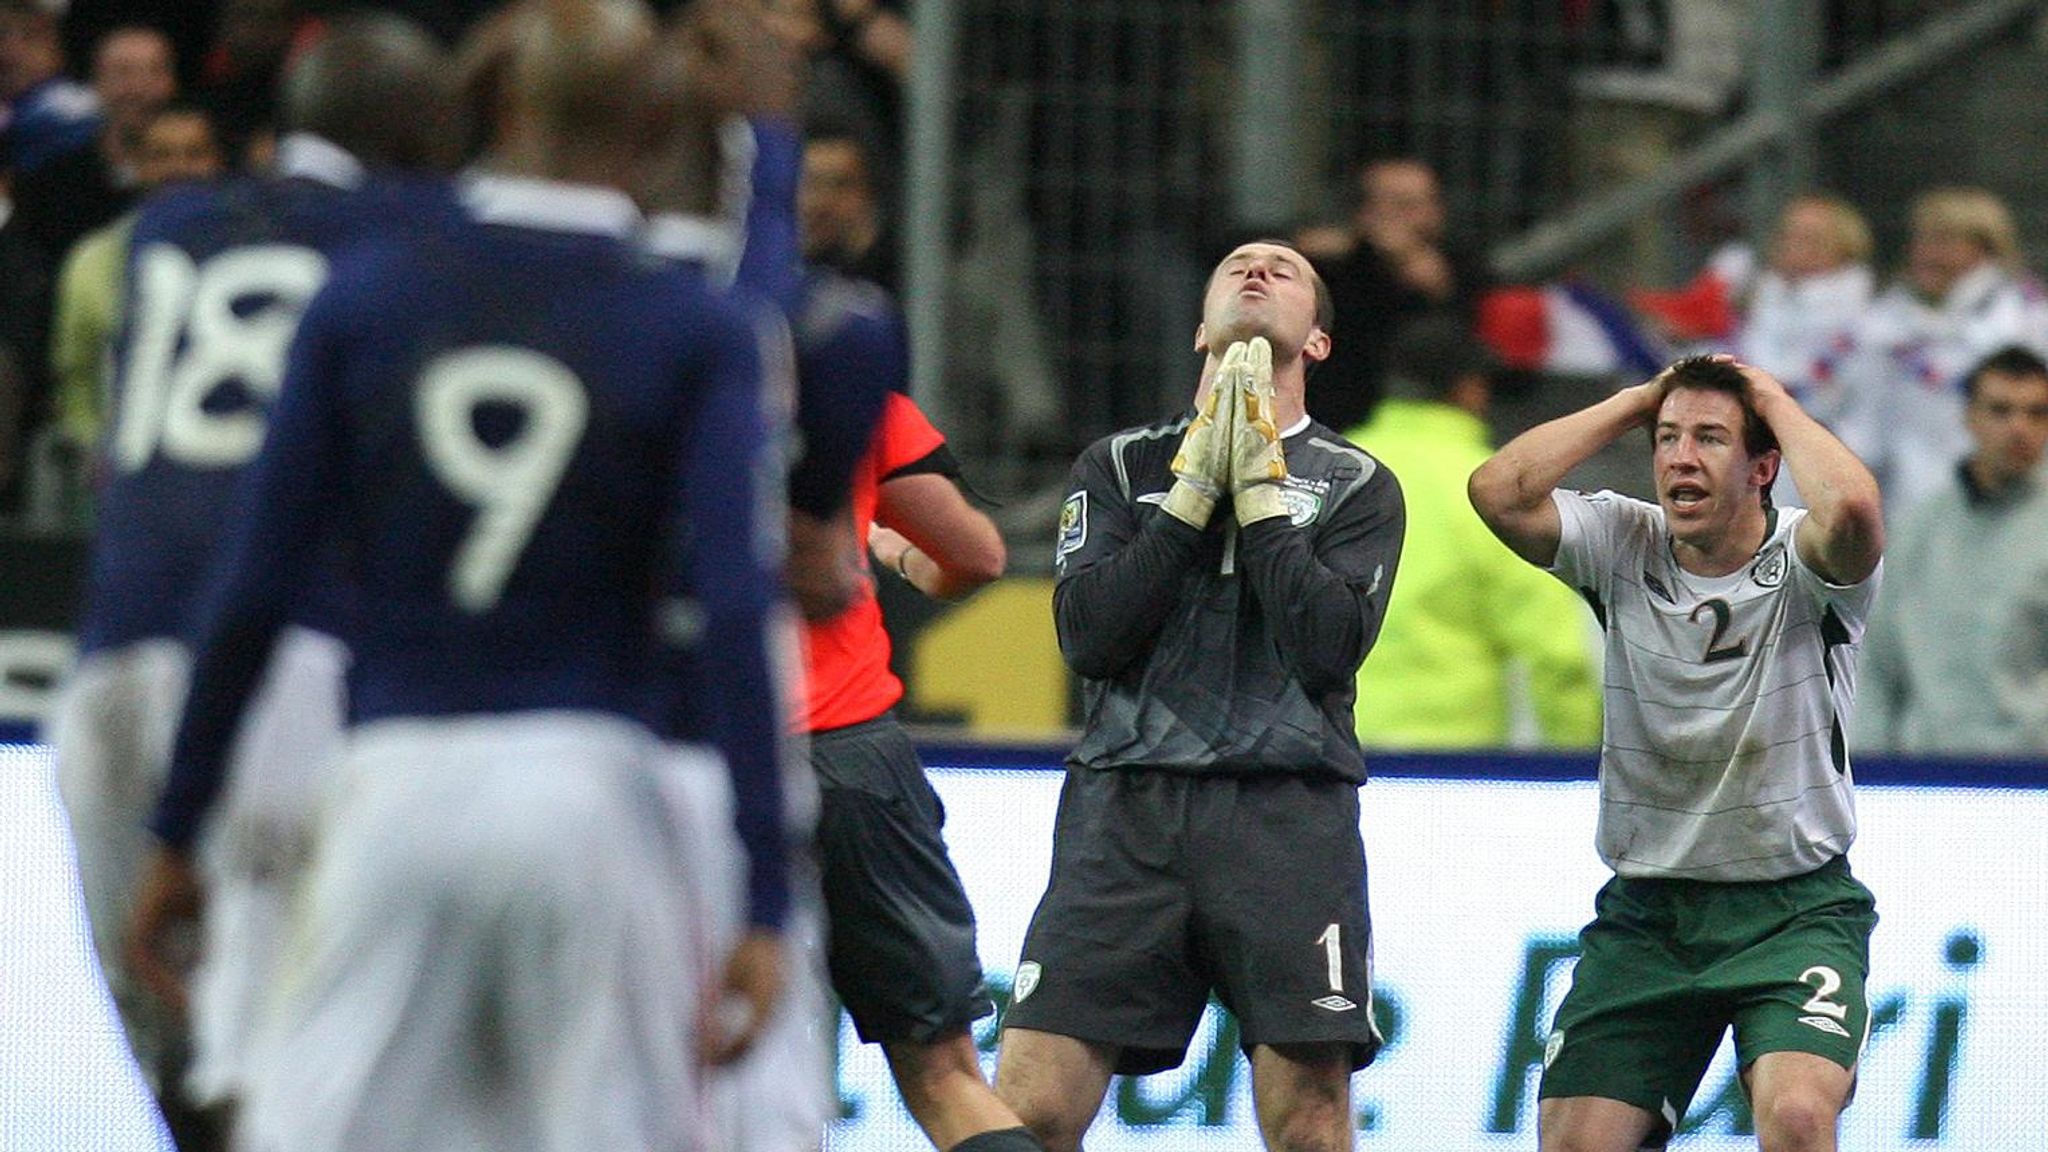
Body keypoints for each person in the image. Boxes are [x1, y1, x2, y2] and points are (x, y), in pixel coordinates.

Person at [126, 2, 792, 1149]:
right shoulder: (689, 326)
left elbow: (255, 581)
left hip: (396, 781)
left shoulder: (373, 294)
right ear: (656, 121)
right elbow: (735, 611)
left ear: (506, 102)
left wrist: (179, 826)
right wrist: (765, 896)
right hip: (591, 794)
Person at [48, 19, 455, 1150]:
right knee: (309, 1069)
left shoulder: (162, 228)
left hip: (107, 676)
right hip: (280, 671)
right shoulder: (414, 231)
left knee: (185, 1064)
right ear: (420, 135)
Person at [996, 240, 1405, 1152]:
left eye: (1285, 270)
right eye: (1235, 266)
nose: (1257, 271)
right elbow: (1089, 638)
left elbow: (1328, 647)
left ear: (1322, 343)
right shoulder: (1119, 466)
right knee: (1031, 1110)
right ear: (1198, 331)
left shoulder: (1357, 483)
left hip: (1285, 813)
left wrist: (1258, 494)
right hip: (1123, 808)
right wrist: (1187, 501)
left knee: (1307, 1120)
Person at [1468, 353, 1887, 1152]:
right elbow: (1499, 490)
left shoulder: (1809, 561)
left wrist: (1767, 392)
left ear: (1766, 466)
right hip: (1650, 914)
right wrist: (1634, 402)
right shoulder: (1623, 541)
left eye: (1710, 439)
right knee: (1574, 1143)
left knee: (1799, 1117)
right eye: (1667, 439)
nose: (1680, 458)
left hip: (1792, 910)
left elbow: (1858, 506)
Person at [1345, 316, 1600, 749]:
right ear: (1469, 389)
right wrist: (1576, 756)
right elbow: (1559, 658)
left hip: (1329, 760)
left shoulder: (1333, 471)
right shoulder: (1492, 492)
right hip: (1453, 766)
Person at [1855, 346, 2048, 756]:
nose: (2019, 428)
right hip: (1931, 776)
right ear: (1969, 417)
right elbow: (1878, 664)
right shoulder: (1918, 530)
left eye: (2036, 413)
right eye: (2001, 410)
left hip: (2034, 778)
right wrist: (1865, 768)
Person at [1831, 186, 2048, 520]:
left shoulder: (2028, 320)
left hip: (2010, 502)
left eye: (1944, 241)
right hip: (1908, 506)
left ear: (1985, 247)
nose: (1925, 254)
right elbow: (1865, 426)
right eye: (1921, 240)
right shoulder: (1885, 323)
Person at [48, 100, 225, 473]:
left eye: (194, 154)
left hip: (223, 462)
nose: (178, 169)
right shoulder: (93, 261)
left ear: (219, 163)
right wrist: (96, 447)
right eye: (161, 155)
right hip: (118, 467)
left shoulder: (251, 259)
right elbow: (75, 377)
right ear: (138, 167)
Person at [1297, 156, 1492, 432]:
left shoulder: (1462, 266)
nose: (1392, 216)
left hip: (1431, 426)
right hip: (1334, 419)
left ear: (1436, 211)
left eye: (1407, 205)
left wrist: (1423, 273)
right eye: (1381, 203)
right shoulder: (1331, 264)